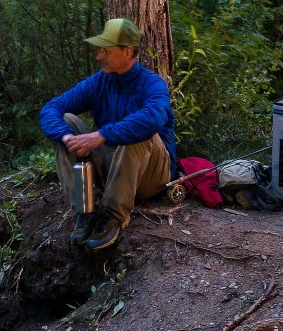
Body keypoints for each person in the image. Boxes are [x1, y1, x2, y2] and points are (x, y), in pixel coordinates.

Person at [38, 18, 178, 252]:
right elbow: (51, 108)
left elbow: (153, 118)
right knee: (65, 122)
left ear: (128, 51)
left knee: (140, 131)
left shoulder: (152, 84)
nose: (98, 56)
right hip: (114, 167)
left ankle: (114, 214)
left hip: (151, 176)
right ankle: (86, 208)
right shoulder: (99, 82)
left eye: (105, 51)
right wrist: (66, 138)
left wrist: (101, 135)